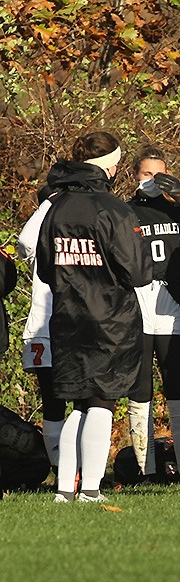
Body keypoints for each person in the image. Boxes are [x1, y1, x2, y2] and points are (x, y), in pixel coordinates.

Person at [37, 132, 152, 502]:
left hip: (67, 317)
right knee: (102, 401)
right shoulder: (114, 209)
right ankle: (90, 489)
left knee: (78, 403)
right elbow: (138, 272)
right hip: (110, 320)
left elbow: (45, 268)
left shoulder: (56, 208)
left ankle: (64, 490)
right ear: (109, 167)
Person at [126, 145, 180, 483]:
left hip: (173, 302)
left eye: (159, 175)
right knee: (139, 389)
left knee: (177, 386)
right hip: (137, 303)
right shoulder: (125, 212)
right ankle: (145, 470)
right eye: (146, 174)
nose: (152, 180)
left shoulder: (178, 210)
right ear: (134, 175)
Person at [17, 182, 65, 467]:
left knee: (85, 401)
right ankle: (60, 469)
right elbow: (24, 243)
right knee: (52, 400)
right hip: (44, 329)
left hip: (76, 327)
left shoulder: (74, 230)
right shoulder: (39, 238)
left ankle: (79, 467)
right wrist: (50, 202)